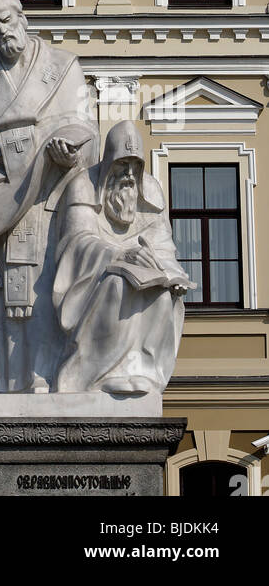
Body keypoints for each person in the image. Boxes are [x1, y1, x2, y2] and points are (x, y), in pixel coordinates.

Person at [0, 0, 98, 393]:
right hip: (6, 206)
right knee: (17, 294)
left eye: (7, 20)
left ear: (23, 17)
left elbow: (87, 132)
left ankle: (53, 374)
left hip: (60, 198)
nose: (2, 30)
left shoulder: (64, 67)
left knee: (54, 287)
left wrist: (68, 151)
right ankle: (20, 379)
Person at [53, 120, 191, 395]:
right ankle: (99, 372)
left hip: (141, 272)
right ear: (108, 164)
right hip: (96, 278)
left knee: (162, 294)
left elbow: (163, 247)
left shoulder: (150, 191)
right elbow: (77, 242)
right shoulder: (83, 185)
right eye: (121, 165)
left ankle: (143, 372)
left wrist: (173, 274)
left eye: (135, 166)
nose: (129, 175)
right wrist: (119, 255)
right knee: (117, 285)